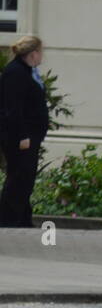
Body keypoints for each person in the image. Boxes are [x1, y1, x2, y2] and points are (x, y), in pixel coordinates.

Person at [0, 36, 50, 228]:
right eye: (41, 52)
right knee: (18, 177)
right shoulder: (15, 73)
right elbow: (13, 108)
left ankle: (22, 217)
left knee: (26, 177)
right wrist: (22, 135)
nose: (42, 56)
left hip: (31, 135)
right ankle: (8, 219)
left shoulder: (28, 71)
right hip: (20, 137)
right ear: (33, 53)